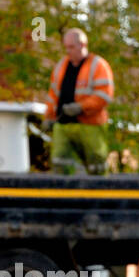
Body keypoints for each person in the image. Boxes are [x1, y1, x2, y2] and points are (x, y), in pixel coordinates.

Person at [44, 29, 114, 175]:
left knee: (96, 165)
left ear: (82, 45)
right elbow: (53, 95)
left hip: (90, 125)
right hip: (63, 125)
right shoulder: (61, 66)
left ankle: (100, 195)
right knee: (60, 162)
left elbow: (104, 95)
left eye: (71, 47)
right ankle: (64, 194)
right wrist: (49, 117)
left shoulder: (98, 65)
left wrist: (80, 107)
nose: (68, 51)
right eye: (66, 47)